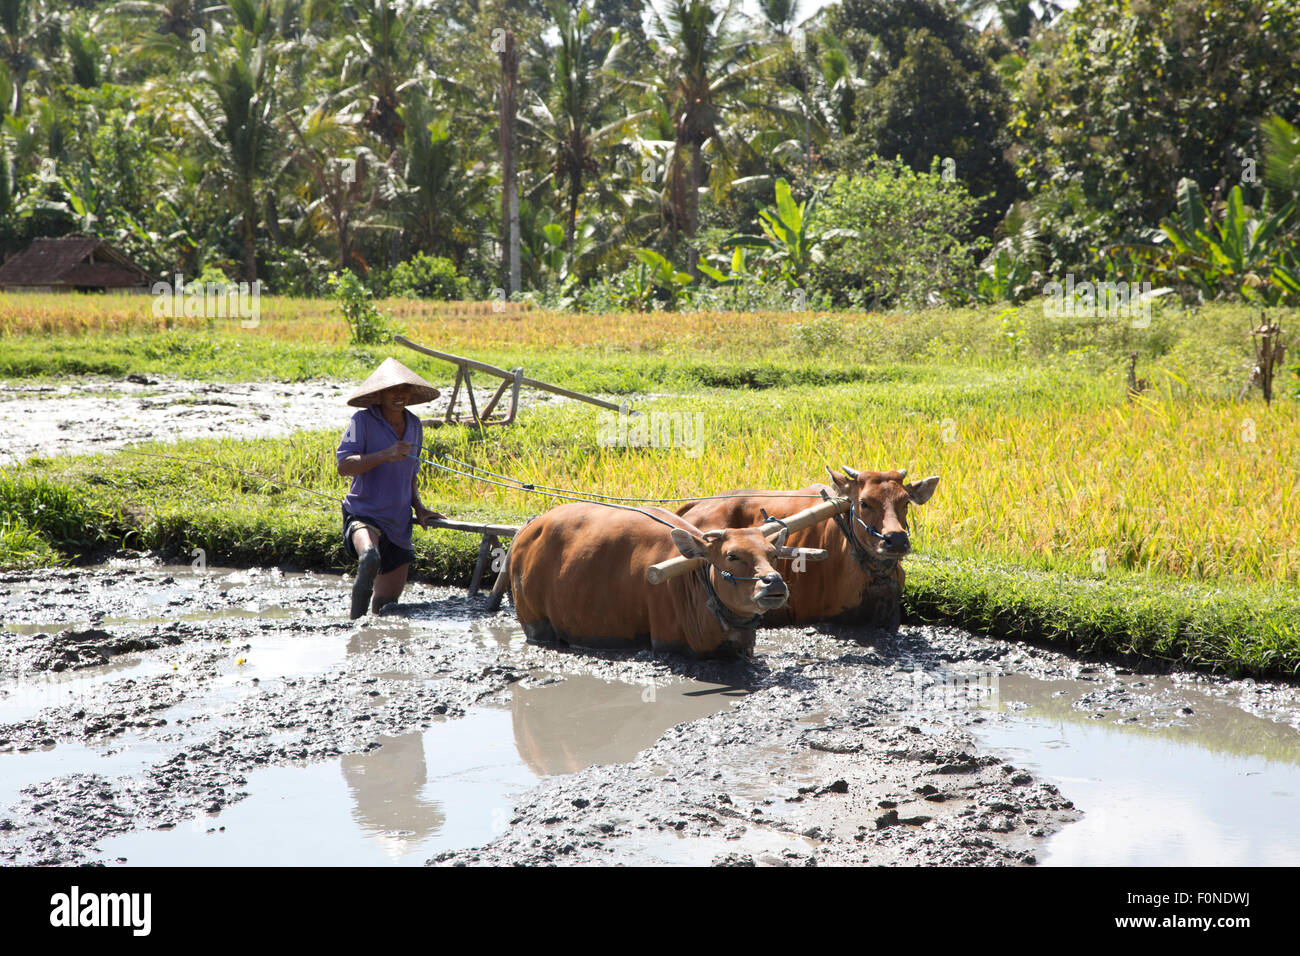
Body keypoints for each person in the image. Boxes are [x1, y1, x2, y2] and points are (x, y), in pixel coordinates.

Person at [337, 358, 445, 619]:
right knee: (370, 557)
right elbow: (344, 465)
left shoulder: (415, 425)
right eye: (392, 390)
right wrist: (385, 454)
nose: (399, 395)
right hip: (365, 514)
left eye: (404, 390)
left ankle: (370, 635)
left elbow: (411, 474)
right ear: (379, 394)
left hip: (398, 522)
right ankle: (353, 629)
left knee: (386, 608)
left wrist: (419, 507)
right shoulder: (361, 421)